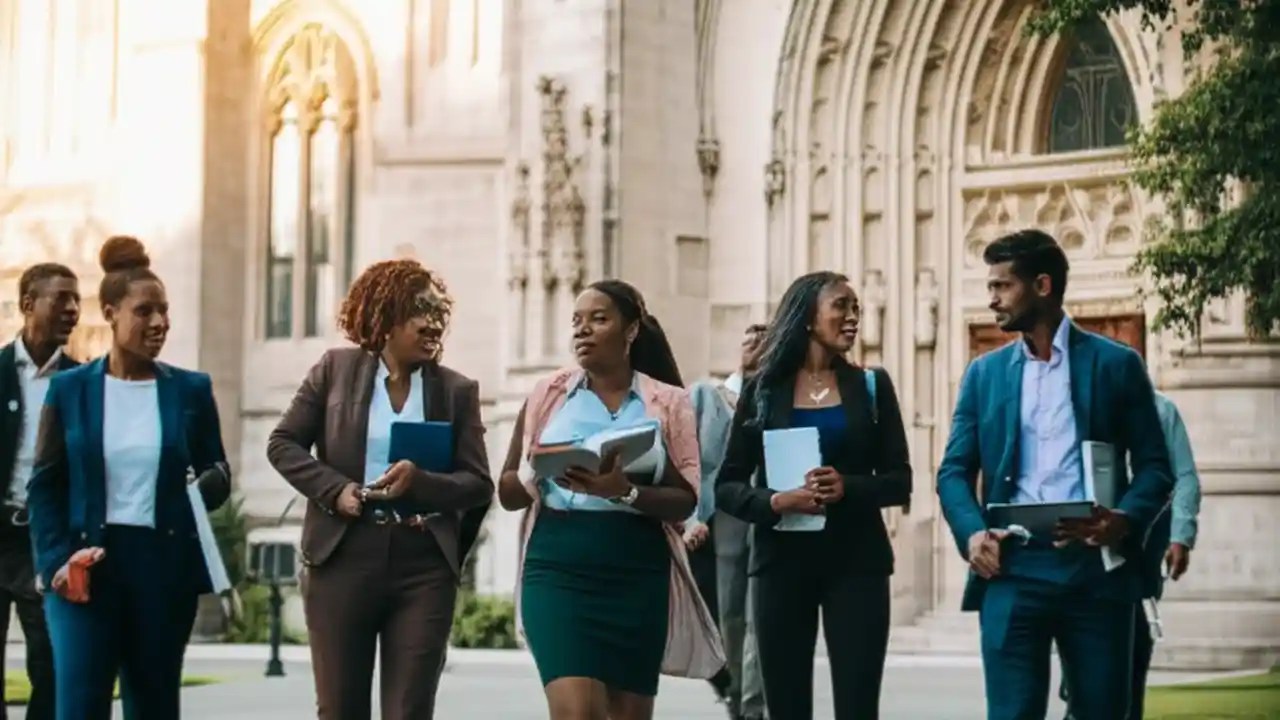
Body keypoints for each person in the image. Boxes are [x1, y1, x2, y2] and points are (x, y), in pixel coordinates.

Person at [935, 228, 1173, 720]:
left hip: (1093, 570)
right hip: (1010, 568)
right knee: (1012, 713)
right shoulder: (984, 374)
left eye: (1002, 286)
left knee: (1102, 712)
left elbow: (1156, 467)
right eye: (990, 287)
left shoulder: (1117, 365)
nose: (992, 299)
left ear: (1042, 285)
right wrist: (972, 534)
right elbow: (954, 471)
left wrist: (1124, 520)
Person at [267, 259, 494, 719]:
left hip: (422, 565)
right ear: (385, 317)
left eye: (438, 312)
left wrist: (422, 482)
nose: (433, 323)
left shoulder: (456, 390)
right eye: (420, 310)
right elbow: (283, 443)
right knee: (340, 709)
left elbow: (477, 484)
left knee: (409, 711)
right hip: (343, 556)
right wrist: (335, 490)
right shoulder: (334, 370)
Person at [496, 279, 724, 720]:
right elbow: (506, 494)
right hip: (558, 566)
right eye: (576, 321)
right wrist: (533, 471)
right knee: (577, 713)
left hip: (636, 570)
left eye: (598, 319)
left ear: (631, 330)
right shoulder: (548, 395)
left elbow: (684, 499)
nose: (582, 330)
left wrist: (626, 491)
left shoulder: (668, 403)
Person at [27, 236, 232, 720]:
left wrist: (207, 485)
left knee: (154, 708)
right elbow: (44, 485)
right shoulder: (69, 389)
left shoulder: (191, 390)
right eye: (145, 311)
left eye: (164, 311)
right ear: (111, 312)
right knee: (78, 708)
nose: (159, 322)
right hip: (85, 568)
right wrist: (56, 561)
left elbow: (217, 470)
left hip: (162, 570)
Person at [716, 271, 912, 720]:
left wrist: (849, 486)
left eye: (855, 307)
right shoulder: (763, 390)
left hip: (857, 564)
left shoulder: (871, 386)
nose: (853, 317)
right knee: (785, 707)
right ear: (808, 316)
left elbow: (900, 480)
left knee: (858, 707)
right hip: (781, 564)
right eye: (841, 306)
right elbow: (727, 486)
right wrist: (775, 502)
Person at [1061, 390, 1203, 720]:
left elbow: (1184, 476)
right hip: (1083, 552)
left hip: (1137, 547)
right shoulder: (1070, 405)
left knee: (1132, 643)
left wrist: (1181, 534)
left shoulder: (1159, 410)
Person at [0, 263, 81, 719]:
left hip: (46, 542)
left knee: (51, 665)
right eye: (60, 299)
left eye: (76, 301)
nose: (71, 309)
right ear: (29, 304)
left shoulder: (82, 382)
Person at [685, 322, 768, 720]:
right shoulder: (712, 395)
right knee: (727, 613)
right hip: (724, 516)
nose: (753, 342)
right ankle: (734, 689)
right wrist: (690, 518)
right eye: (748, 337)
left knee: (760, 613)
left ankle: (751, 703)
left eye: (764, 338)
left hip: (769, 513)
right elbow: (689, 458)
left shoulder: (778, 398)